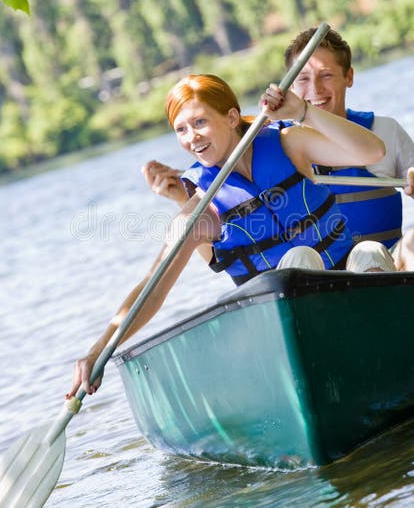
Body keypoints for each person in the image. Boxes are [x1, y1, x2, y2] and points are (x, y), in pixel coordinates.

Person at [69, 74, 385, 397]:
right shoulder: (200, 212)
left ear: (232, 117)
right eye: (181, 129)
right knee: (298, 262)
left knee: (370, 251)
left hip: (351, 299)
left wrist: (303, 110)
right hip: (286, 334)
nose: (191, 137)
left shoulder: (289, 143)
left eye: (200, 122)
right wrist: (97, 353)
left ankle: (383, 352)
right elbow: (151, 291)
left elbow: (372, 151)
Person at [143, 27, 414, 272]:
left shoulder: (383, 132)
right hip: (317, 278)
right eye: (304, 79)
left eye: (326, 76)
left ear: (348, 77)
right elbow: (220, 241)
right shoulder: (278, 146)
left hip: (389, 271)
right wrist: (183, 198)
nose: (315, 90)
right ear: (291, 88)